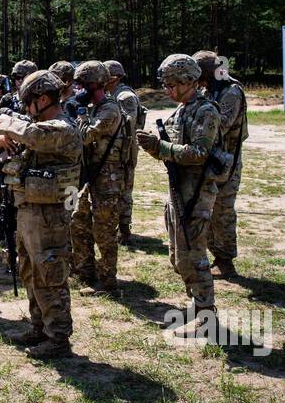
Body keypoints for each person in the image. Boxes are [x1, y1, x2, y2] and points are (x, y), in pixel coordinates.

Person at [0, 70, 82, 358]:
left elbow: (31, 134)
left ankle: (58, 337)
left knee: (50, 272)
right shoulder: (41, 127)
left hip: (50, 213)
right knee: (30, 269)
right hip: (29, 208)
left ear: (42, 99)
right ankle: (39, 326)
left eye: (29, 103)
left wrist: (5, 123)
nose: (26, 110)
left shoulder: (63, 128)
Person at [136, 54, 223, 337]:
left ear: (190, 81)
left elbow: (198, 153)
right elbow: (174, 152)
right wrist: (154, 147)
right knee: (178, 256)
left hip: (197, 193)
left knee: (195, 253)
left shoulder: (205, 111)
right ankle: (197, 305)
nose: (168, 90)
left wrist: (159, 147)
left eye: (173, 84)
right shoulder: (181, 111)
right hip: (179, 192)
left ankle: (207, 316)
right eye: (166, 85)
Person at [69, 60, 127, 295]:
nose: (80, 90)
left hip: (107, 177)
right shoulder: (93, 108)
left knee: (103, 229)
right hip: (88, 175)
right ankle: (85, 272)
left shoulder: (109, 110)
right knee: (78, 222)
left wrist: (79, 116)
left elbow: (85, 136)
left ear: (98, 84)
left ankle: (109, 283)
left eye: (85, 85)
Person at [194, 50, 248, 278]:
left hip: (227, 162)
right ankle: (214, 254)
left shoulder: (231, 92)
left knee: (223, 212)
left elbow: (221, 124)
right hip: (209, 160)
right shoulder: (209, 90)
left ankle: (226, 260)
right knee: (206, 209)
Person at [105, 60, 146, 244]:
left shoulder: (124, 97)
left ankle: (124, 230)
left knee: (124, 190)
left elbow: (128, 126)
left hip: (125, 151)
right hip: (119, 149)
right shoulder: (114, 94)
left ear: (115, 77)